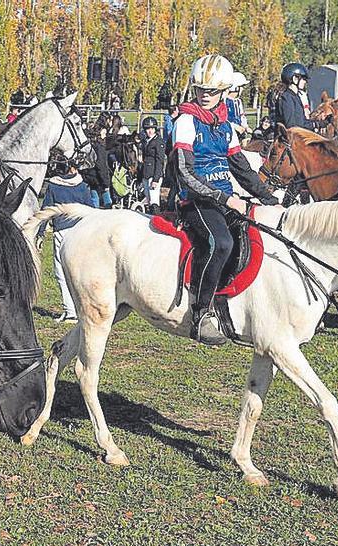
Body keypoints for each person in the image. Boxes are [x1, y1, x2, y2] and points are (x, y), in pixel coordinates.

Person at [169, 54, 278, 345]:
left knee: (256, 235)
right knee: (222, 242)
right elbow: (184, 173)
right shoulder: (186, 122)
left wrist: (269, 198)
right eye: (200, 90)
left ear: (224, 92)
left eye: (212, 91)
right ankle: (201, 313)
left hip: (223, 199)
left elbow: (241, 169)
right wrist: (226, 199)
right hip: (194, 200)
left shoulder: (226, 126)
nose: (205, 96)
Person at [39, 149, 91, 322]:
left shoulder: (53, 186)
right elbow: (90, 209)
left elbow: (46, 210)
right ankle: (82, 307)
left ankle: (70, 310)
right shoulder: (82, 185)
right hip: (81, 229)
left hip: (61, 230)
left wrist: (40, 233)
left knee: (61, 270)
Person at [272, 62, 329, 133]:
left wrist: (320, 122)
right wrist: (315, 124)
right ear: (295, 79)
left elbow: (302, 121)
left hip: (297, 136)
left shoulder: (296, 96)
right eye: (303, 79)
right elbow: (292, 125)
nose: (305, 82)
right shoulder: (286, 97)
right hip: (288, 138)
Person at [79, 123, 112, 208]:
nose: (105, 136)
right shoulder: (99, 147)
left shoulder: (88, 146)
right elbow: (102, 166)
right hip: (98, 178)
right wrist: (106, 183)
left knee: (94, 198)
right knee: (107, 200)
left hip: (89, 177)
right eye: (104, 134)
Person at [139, 117, 165, 212]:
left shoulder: (158, 141)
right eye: (148, 129)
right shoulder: (146, 141)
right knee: (148, 200)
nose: (150, 131)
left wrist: (156, 179)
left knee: (154, 201)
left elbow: (160, 161)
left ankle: (156, 217)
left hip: (154, 173)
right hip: (146, 173)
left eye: (152, 129)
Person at [226, 72, 250, 138]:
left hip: (239, 133)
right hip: (227, 133)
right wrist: (234, 126)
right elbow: (223, 119)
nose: (243, 89)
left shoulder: (238, 101)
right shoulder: (224, 101)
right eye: (241, 86)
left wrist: (245, 126)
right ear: (235, 87)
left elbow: (242, 116)